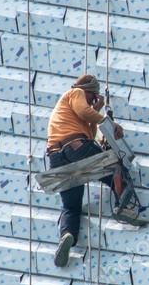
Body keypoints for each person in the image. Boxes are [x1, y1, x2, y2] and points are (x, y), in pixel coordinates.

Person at [46, 74, 135, 268]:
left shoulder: (69, 111)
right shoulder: (75, 93)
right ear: (88, 92)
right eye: (92, 97)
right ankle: (123, 206)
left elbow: (90, 132)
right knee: (116, 167)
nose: (93, 101)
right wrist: (109, 123)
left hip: (56, 158)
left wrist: (97, 109)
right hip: (75, 146)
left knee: (71, 207)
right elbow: (84, 112)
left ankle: (67, 235)